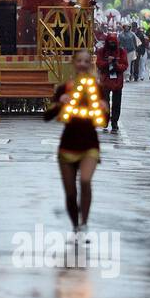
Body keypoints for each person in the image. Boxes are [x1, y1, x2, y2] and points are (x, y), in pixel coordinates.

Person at [45, 49, 107, 239]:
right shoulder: (64, 88)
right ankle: (75, 225)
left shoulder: (97, 88)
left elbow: (104, 120)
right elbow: (47, 116)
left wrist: (105, 110)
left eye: (86, 61)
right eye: (79, 60)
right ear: (74, 63)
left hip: (89, 143)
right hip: (68, 143)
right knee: (70, 193)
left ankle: (84, 223)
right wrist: (59, 103)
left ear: (90, 64)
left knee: (86, 181)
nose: (82, 64)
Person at [95, 32, 128, 132]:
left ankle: (114, 122)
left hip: (117, 81)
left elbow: (124, 65)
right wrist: (107, 62)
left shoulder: (122, 52)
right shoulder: (101, 51)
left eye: (113, 42)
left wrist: (115, 64)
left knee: (116, 103)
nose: (112, 44)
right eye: (110, 42)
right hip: (105, 80)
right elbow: (99, 64)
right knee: (105, 102)